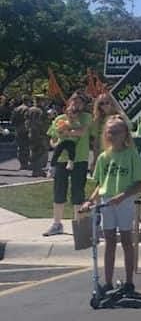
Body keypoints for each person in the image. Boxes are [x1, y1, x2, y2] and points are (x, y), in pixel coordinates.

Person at [81, 116, 141, 294]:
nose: (112, 135)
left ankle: (129, 282)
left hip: (124, 201)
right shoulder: (104, 156)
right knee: (109, 241)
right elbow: (100, 184)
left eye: (117, 131)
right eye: (109, 131)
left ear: (125, 133)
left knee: (126, 240)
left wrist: (123, 195)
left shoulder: (131, 154)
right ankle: (108, 282)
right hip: (106, 201)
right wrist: (90, 200)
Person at [43, 94, 93, 236]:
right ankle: (57, 224)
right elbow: (52, 139)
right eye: (73, 100)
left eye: (79, 101)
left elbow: (81, 132)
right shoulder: (59, 119)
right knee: (59, 190)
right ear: (68, 102)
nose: (76, 104)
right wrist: (57, 142)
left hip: (80, 159)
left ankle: (78, 224)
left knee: (78, 191)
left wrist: (68, 127)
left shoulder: (86, 117)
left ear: (83, 105)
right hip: (61, 160)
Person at [90, 94, 121, 173]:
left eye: (107, 102)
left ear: (112, 103)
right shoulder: (97, 120)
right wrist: (95, 160)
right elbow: (96, 142)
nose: (104, 105)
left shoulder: (119, 118)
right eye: (101, 103)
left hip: (118, 154)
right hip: (103, 155)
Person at [26, 99, 50, 178]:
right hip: (40, 134)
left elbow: (27, 121)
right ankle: (38, 170)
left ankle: (35, 170)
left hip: (31, 133)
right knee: (42, 151)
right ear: (40, 101)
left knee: (34, 151)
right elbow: (43, 123)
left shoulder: (30, 109)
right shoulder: (41, 110)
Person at [12, 96, 30, 170]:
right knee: (26, 147)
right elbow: (28, 119)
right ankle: (25, 163)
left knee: (20, 147)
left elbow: (13, 120)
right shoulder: (27, 109)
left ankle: (22, 164)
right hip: (25, 129)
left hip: (18, 129)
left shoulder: (16, 109)